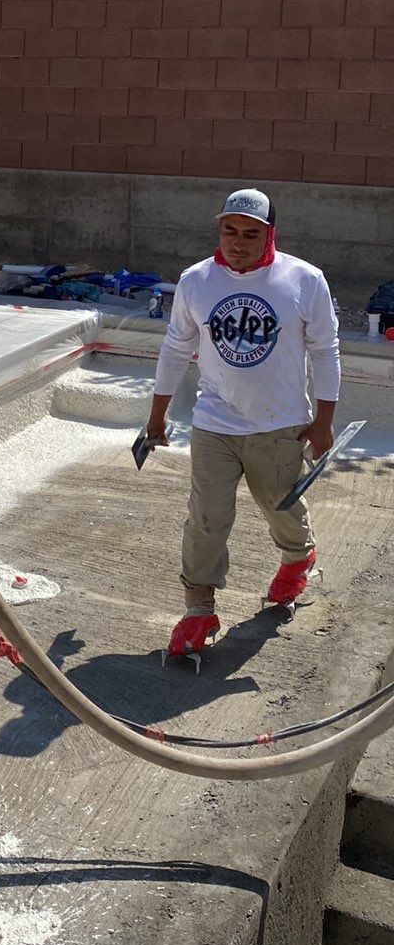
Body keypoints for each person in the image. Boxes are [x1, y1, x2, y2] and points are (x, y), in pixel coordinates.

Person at [143, 189, 340, 659]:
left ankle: (297, 557)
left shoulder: (303, 280)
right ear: (219, 229)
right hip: (214, 423)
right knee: (206, 518)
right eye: (230, 231)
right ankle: (198, 607)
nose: (238, 242)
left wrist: (323, 420)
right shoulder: (197, 281)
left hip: (280, 424)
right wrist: (156, 415)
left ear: (270, 234)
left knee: (279, 503)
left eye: (252, 233)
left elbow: (326, 350)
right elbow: (176, 349)